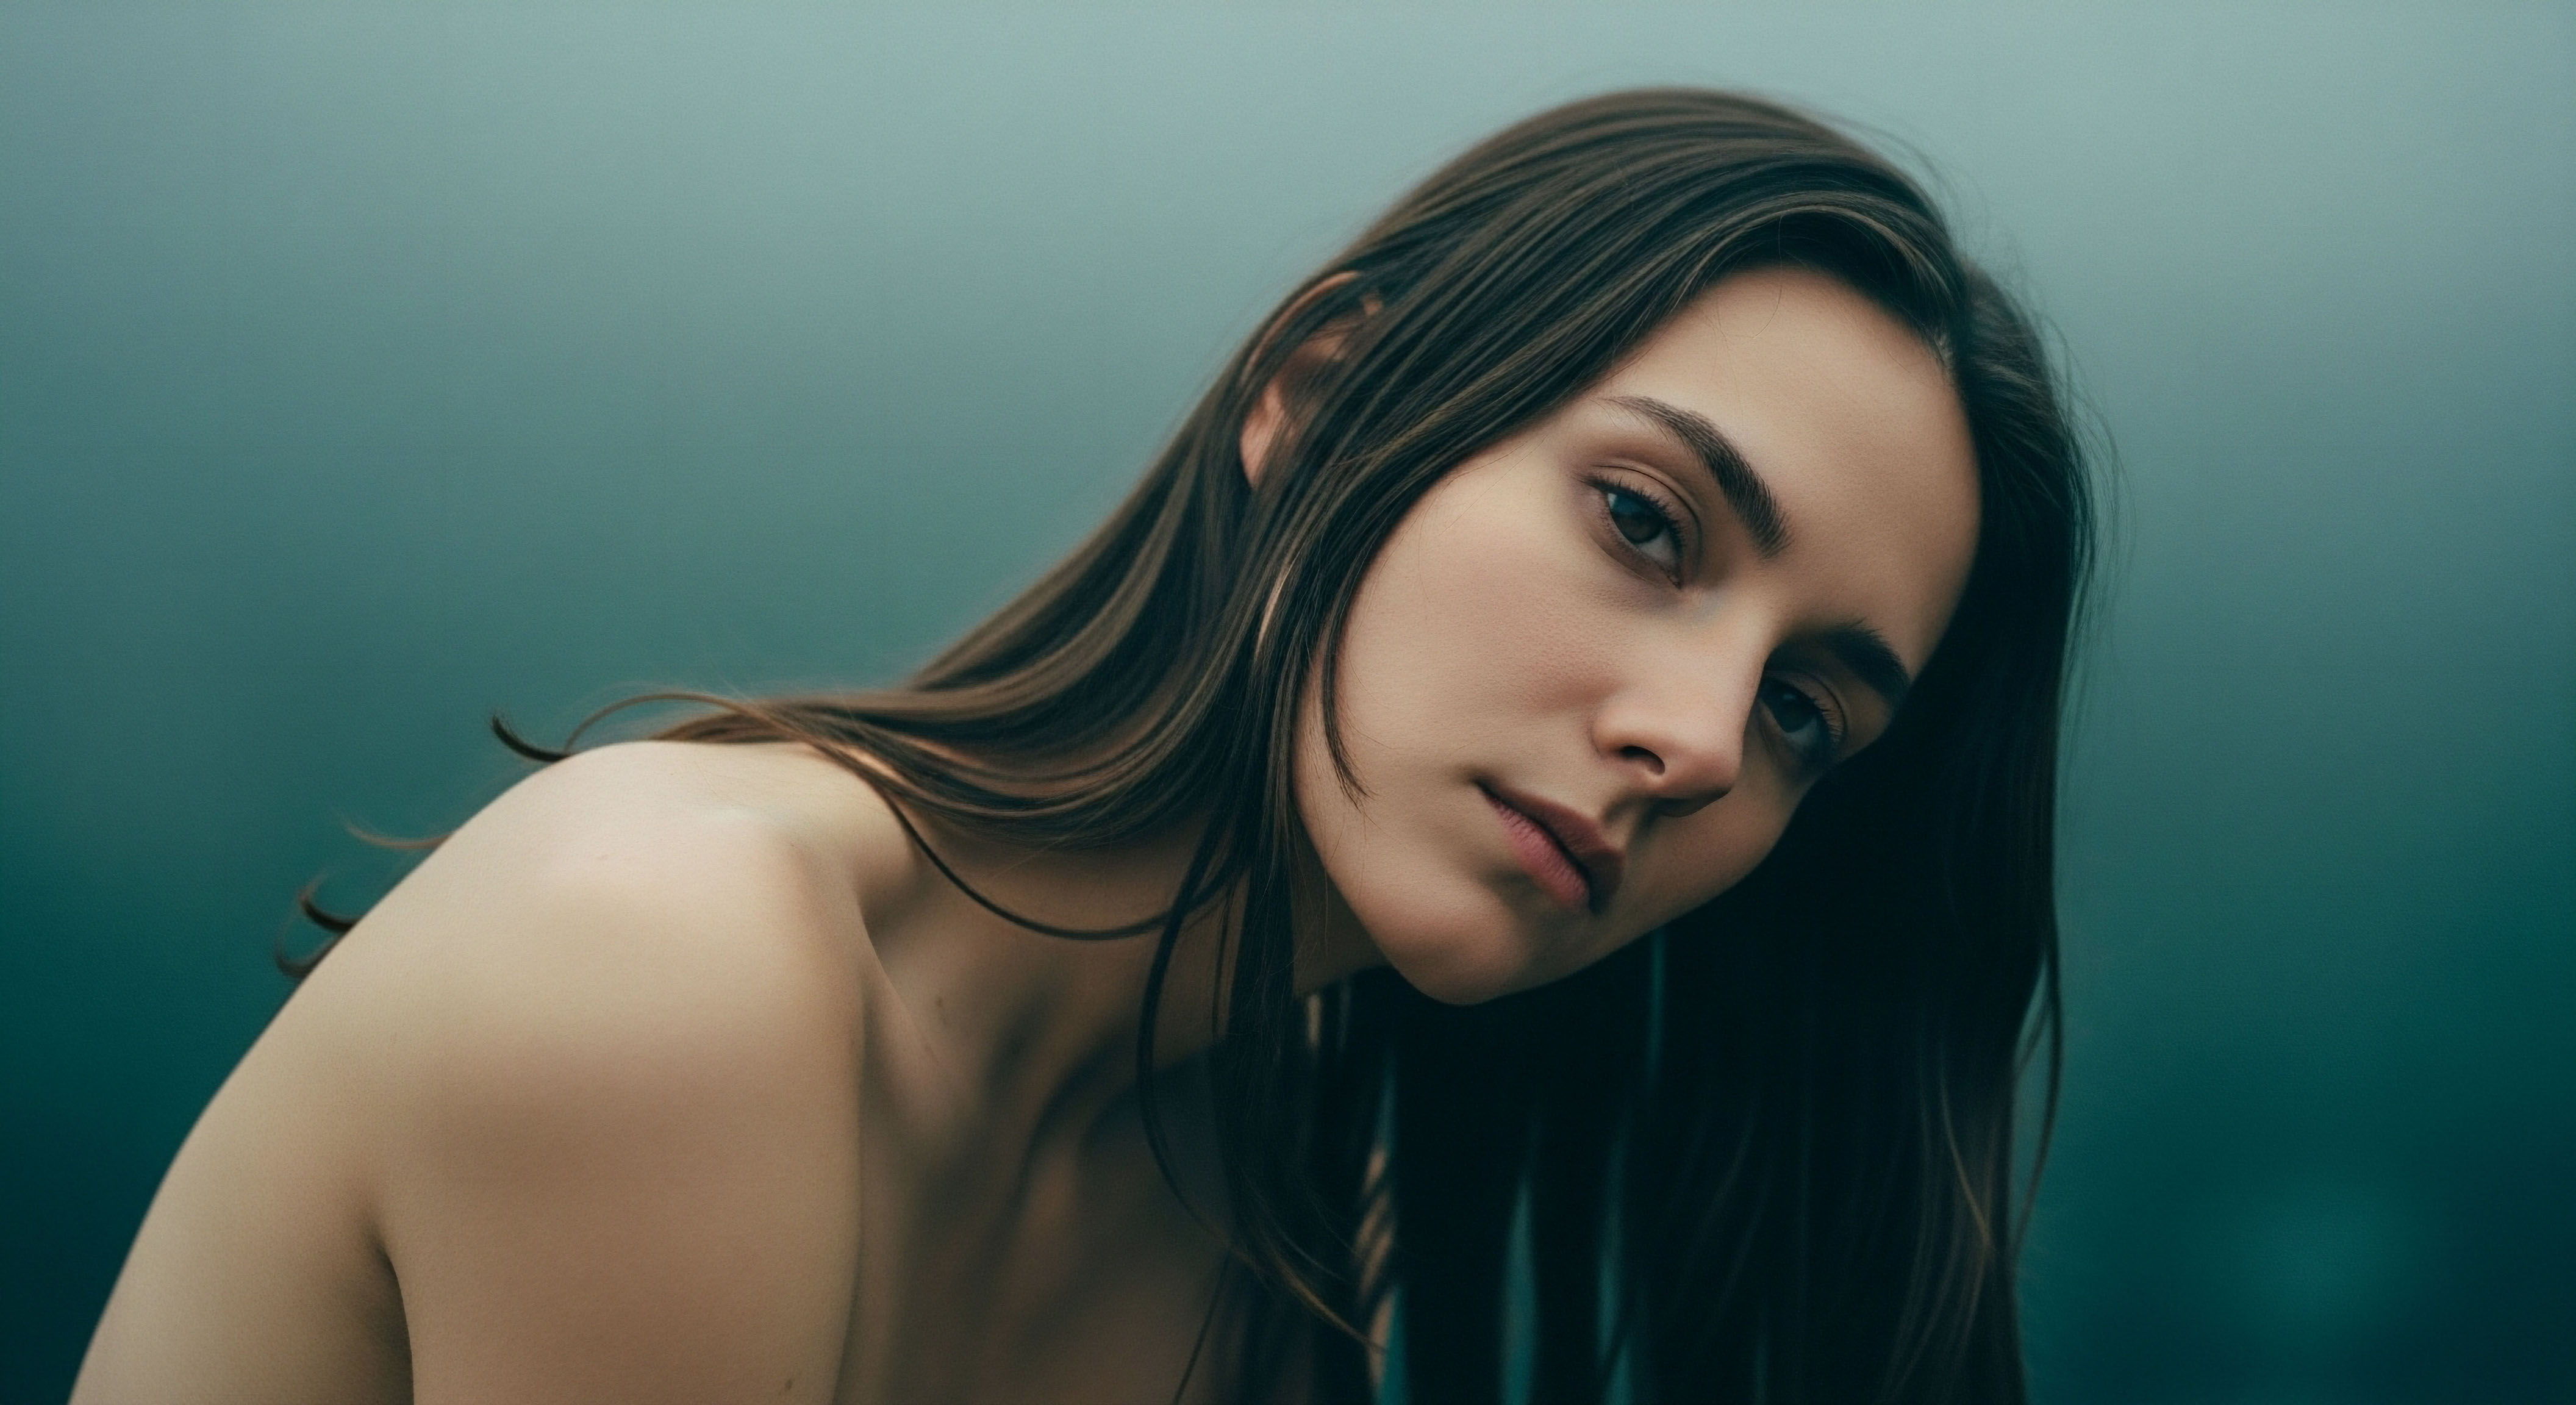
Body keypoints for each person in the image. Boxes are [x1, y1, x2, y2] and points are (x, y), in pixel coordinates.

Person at [71, 88, 2091, 1404]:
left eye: (1807, 711)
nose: (1699, 744)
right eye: (1646, 523)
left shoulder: (1272, 1200)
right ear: (1321, 397)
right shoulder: (663, 962)